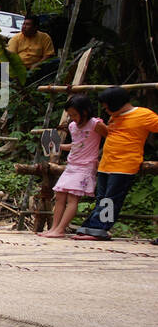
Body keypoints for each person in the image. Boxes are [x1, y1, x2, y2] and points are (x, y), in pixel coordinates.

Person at [72, 88, 158, 241]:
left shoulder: (144, 115)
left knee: (111, 199)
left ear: (115, 104)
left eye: (106, 106)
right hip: (106, 163)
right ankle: (92, 227)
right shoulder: (114, 117)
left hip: (125, 164)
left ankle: (98, 230)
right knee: (102, 198)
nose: (105, 109)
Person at [39, 94, 104, 239]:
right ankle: (54, 228)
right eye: (70, 115)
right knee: (60, 196)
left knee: (73, 199)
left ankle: (60, 229)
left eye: (74, 114)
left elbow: (112, 137)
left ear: (85, 111)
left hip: (86, 166)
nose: (72, 117)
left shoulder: (95, 124)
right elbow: (76, 146)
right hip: (72, 165)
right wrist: (59, 146)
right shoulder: (72, 126)